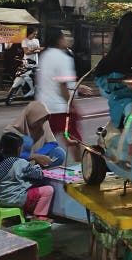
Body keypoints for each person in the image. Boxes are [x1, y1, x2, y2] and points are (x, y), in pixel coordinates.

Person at [36, 28, 93, 161]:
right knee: (73, 139)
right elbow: (62, 85)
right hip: (61, 108)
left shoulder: (45, 55)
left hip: (45, 106)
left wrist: (78, 87)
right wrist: (71, 105)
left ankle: (39, 167)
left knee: (47, 140)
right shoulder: (63, 57)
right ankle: (81, 167)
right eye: (66, 36)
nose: (69, 39)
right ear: (59, 40)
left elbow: (53, 79)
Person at [0, 132, 54, 222]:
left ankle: (25, 213)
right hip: (16, 200)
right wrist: (39, 167)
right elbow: (37, 174)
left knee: (26, 188)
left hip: (1, 199)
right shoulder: (20, 163)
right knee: (48, 190)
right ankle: (39, 216)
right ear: (18, 149)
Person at [0, 102, 65, 168]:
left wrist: (39, 155)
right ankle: (27, 177)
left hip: (35, 158)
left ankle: (41, 175)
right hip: (16, 163)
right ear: (29, 117)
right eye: (38, 121)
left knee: (59, 153)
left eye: (43, 120)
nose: (40, 124)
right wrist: (33, 156)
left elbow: (52, 143)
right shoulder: (10, 131)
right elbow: (8, 155)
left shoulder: (43, 123)